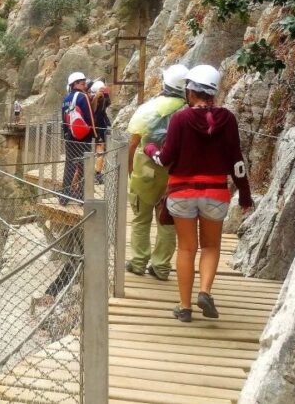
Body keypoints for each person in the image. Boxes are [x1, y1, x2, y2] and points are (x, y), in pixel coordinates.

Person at [144, 64, 253, 323]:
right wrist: (246, 195)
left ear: (191, 92)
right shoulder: (227, 119)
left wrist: (151, 150)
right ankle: (204, 291)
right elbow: (236, 161)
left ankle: (184, 307)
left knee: (186, 249)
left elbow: (167, 158)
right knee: (211, 246)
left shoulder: (180, 119)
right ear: (213, 92)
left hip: (182, 192)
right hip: (215, 193)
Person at [124, 65, 189, 281]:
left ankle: (139, 262)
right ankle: (161, 267)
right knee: (166, 220)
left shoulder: (149, 108)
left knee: (141, 219)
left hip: (146, 170)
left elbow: (134, 142)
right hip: (174, 173)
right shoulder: (187, 112)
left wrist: (130, 169)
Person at [61, 71, 97, 203]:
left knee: (69, 165)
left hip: (69, 137)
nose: (84, 84)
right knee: (84, 165)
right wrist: (95, 134)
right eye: (82, 82)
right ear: (75, 84)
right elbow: (89, 117)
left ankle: (64, 196)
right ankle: (83, 197)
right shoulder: (82, 97)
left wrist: (66, 135)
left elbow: (64, 121)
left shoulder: (65, 99)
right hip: (83, 138)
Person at [89, 80, 112, 182]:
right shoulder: (96, 100)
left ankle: (96, 173)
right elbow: (94, 112)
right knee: (99, 151)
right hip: (97, 128)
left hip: (99, 127)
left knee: (98, 151)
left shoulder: (101, 100)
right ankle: (96, 174)